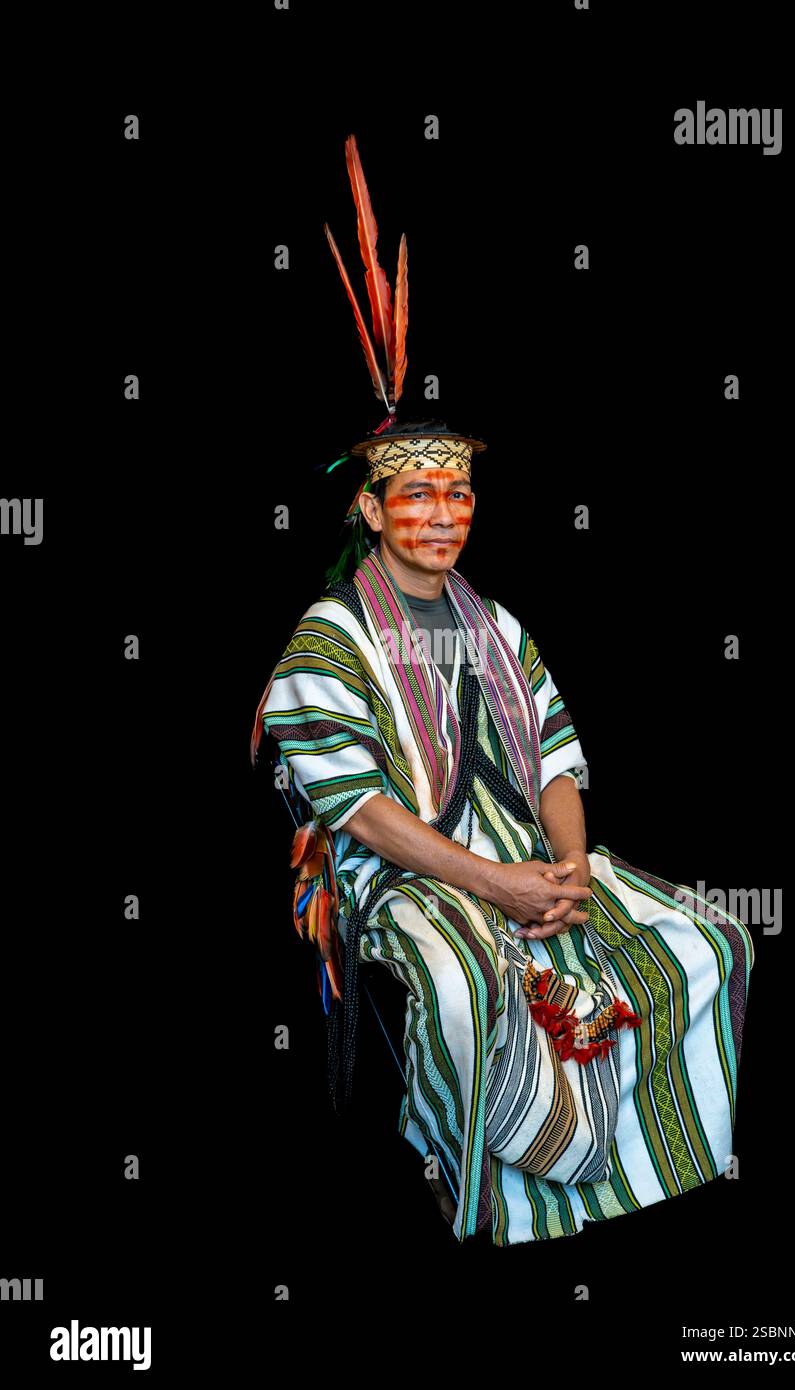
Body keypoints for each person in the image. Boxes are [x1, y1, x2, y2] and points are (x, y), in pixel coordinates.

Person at [249, 134, 755, 1245]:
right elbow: (360, 812)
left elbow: (560, 755)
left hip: (523, 856)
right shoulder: (330, 638)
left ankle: (635, 1159)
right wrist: (500, 887)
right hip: (413, 876)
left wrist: (565, 866)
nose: (441, 514)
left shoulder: (496, 623)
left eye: (460, 495)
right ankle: (469, 1172)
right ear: (370, 514)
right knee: (470, 990)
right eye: (416, 497)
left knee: (708, 943)